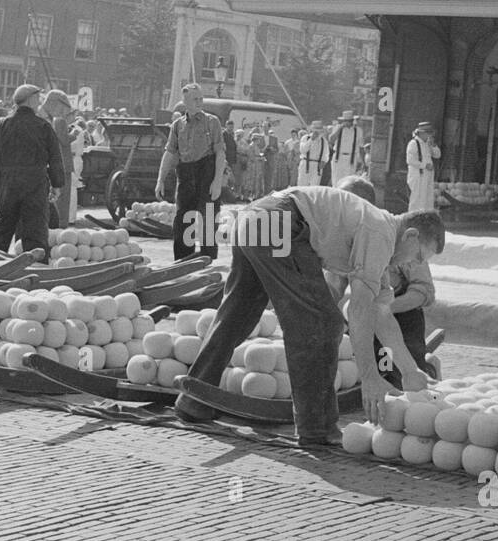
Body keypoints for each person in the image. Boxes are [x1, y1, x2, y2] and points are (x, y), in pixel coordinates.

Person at [175, 185, 444, 444]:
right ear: (410, 235)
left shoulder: (380, 240)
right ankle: (316, 427)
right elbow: (359, 310)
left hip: (253, 218)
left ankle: (193, 401)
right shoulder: (380, 233)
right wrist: (370, 376)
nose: (416, 264)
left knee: (238, 314)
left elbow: (380, 314)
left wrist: (409, 370)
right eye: (420, 256)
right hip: (280, 222)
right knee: (323, 323)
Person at [339, 175, 437, 386]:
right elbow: (336, 286)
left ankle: (423, 370)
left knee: (397, 374)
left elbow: (423, 291)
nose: (342, 212)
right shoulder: (346, 237)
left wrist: (387, 309)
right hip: (367, 312)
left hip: (399, 317)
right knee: (353, 366)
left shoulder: (399, 237)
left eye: (347, 204)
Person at [0, 83, 64, 255]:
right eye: (38, 98)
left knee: (1, 229)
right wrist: (57, 184)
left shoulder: (2, 125)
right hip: (34, 184)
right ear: (31, 100)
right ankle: (35, 266)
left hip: (8, 183)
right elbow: (55, 158)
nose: (39, 102)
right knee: (35, 231)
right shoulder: (43, 126)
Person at [156, 82, 224, 261]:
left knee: (208, 220)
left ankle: (208, 261)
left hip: (206, 174)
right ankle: (182, 261)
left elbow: (220, 153)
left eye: (201, 98)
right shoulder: (177, 126)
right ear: (185, 102)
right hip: (185, 175)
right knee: (182, 221)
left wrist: (217, 182)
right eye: (195, 99)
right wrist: (160, 180)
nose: (200, 102)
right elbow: (170, 153)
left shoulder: (212, 122)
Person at [39, 88, 76, 227]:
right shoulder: (43, 118)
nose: (62, 113)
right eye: (61, 109)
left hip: (50, 164)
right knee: (59, 200)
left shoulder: (51, 119)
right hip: (46, 165)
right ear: (54, 103)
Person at [405, 122, 440, 211]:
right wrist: (424, 165)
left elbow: (437, 155)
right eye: (428, 133)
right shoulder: (413, 143)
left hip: (427, 175)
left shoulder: (427, 144)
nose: (429, 136)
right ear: (421, 133)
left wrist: (433, 145)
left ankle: (425, 216)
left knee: (427, 198)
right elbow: (410, 160)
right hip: (417, 175)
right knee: (417, 198)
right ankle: (413, 216)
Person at [328, 110, 365, 184]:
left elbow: (361, 147)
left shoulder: (358, 130)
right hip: (338, 157)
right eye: (346, 121)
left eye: (350, 121)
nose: (348, 123)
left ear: (353, 120)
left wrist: (362, 161)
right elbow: (331, 140)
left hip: (351, 158)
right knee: (336, 180)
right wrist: (340, 128)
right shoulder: (337, 128)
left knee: (348, 182)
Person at [298, 120, 328, 188]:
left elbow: (326, 153)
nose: (317, 132)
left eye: (319, 130)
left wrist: (324, 161)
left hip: (317, 166)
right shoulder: (305, 138)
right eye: (316, 130)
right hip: (306, 163)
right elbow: (303, 150)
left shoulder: (323, 140)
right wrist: (311, 140)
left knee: (315, 187)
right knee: (302, 186)